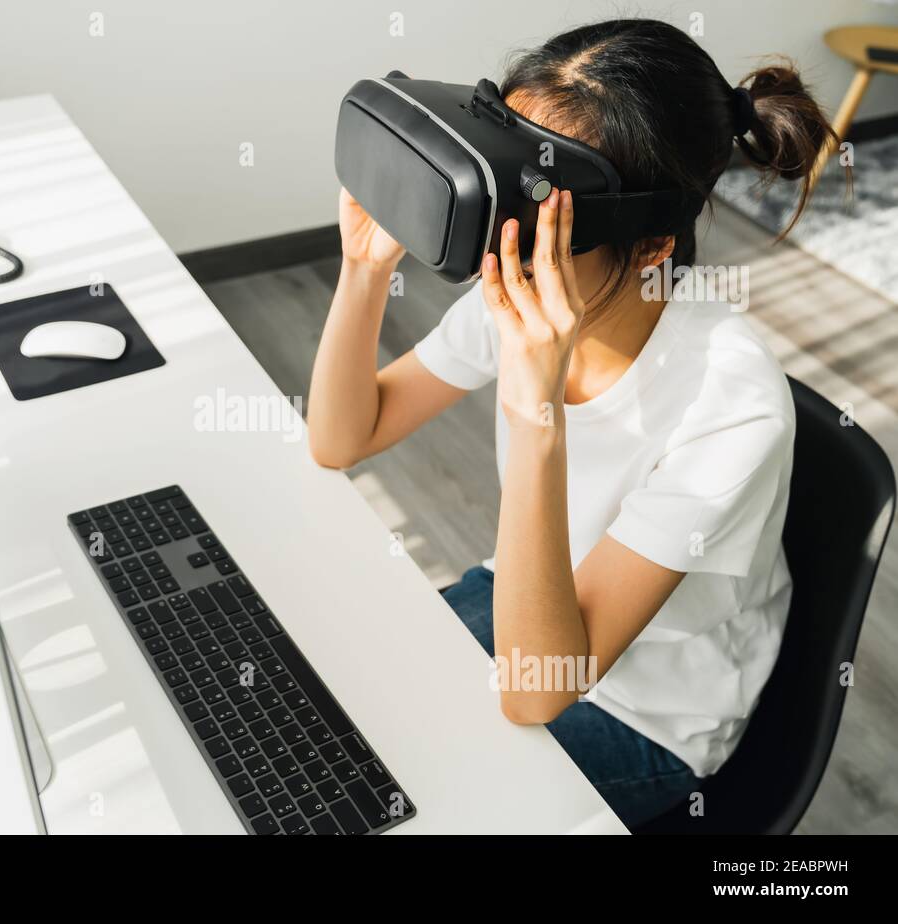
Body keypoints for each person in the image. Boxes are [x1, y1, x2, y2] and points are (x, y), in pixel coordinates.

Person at [307, 19, 839, 828]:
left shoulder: (732, 406)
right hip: (524, 598)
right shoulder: (525, 289)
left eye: (540, 210)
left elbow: (538, 687)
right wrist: (363, 269)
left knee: (391, 802)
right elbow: (342, 437)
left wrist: (535, 409)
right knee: (324, 724)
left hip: (649, 715)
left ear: (653, 241)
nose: (506, 240)